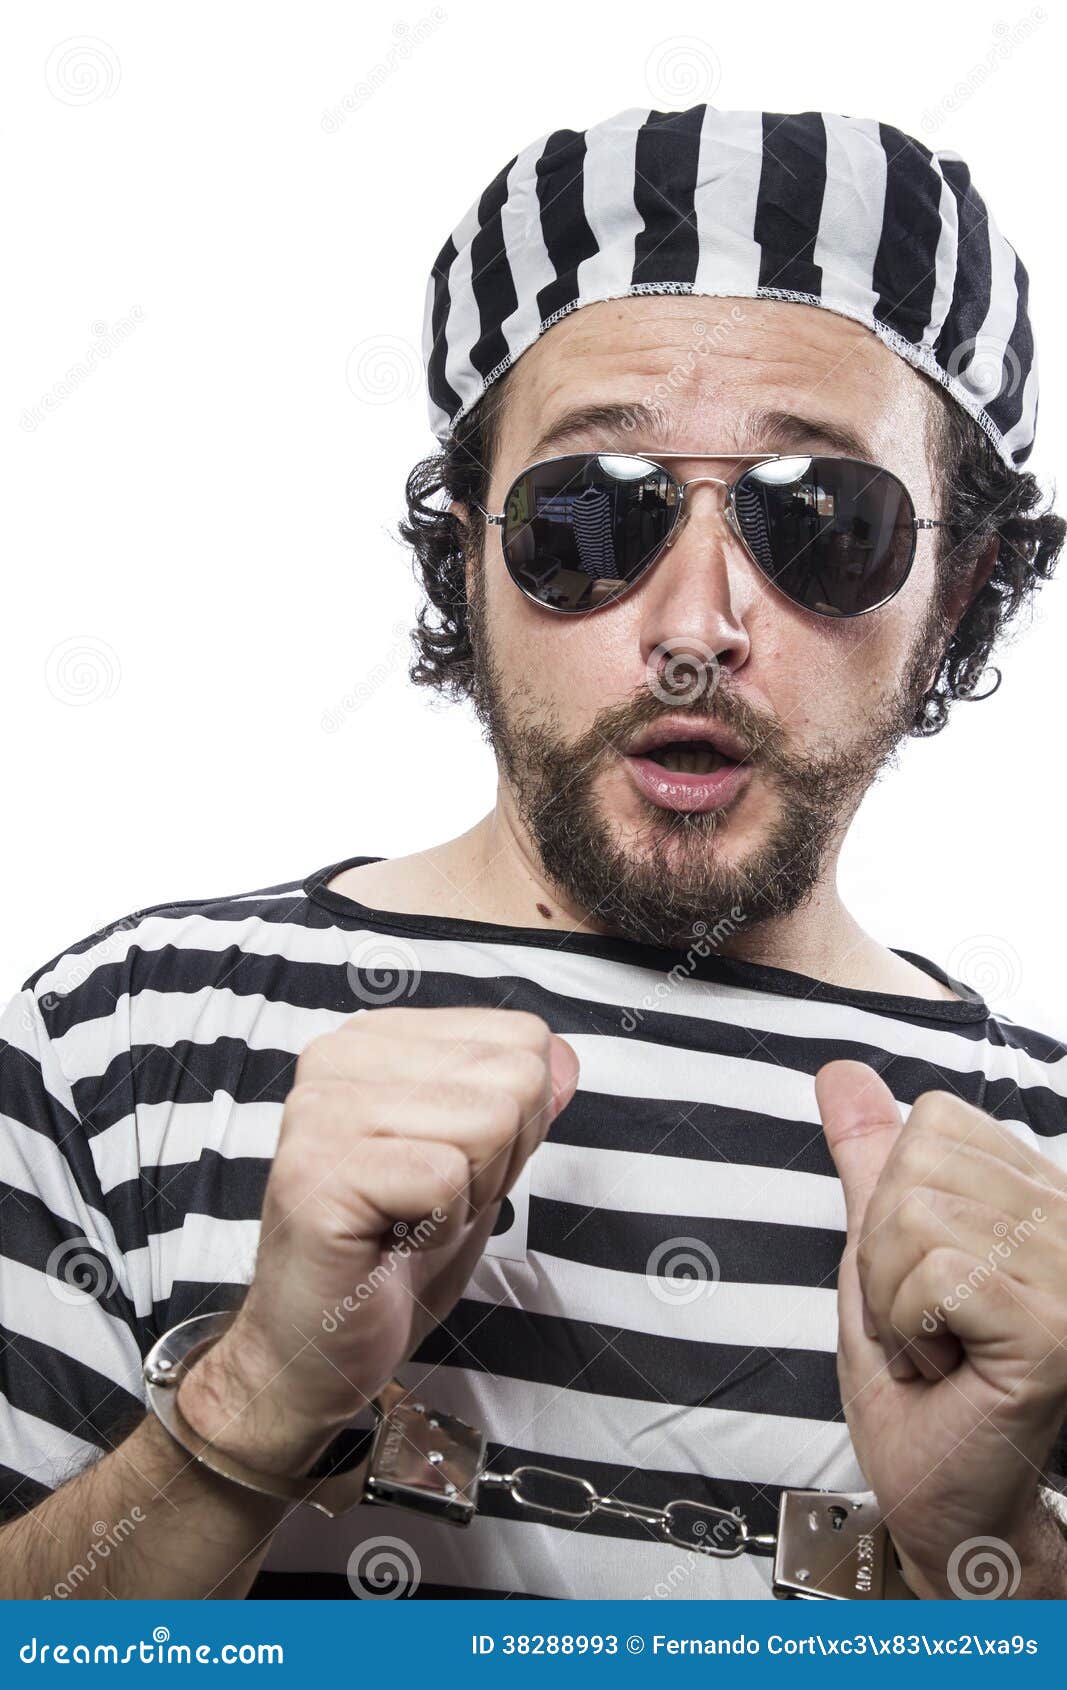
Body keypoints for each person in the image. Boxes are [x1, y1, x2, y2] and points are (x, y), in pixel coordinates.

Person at [1, 103, 1066, 1603]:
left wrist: (996, 1553)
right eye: (589, 514)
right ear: (468, 552)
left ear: (959, 588)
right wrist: (245, 1411)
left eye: (822, 520)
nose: (695, 627)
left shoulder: (1049, 1183)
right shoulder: (130, 1046)